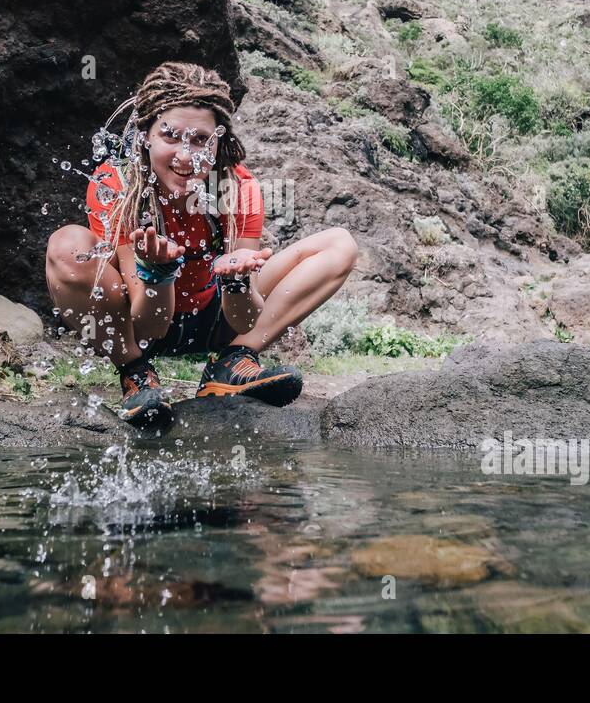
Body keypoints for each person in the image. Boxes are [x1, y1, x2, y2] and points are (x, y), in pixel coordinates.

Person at [45, 62, 358, 429]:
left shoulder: (237, 188)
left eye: (200, 140)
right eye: (171, 136)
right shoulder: (116, 186)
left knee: (339, 245)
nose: (185, 156)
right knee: (66, 245)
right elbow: (148, 327)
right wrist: (157, 274)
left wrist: (238, 281)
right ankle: (136, 374)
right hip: (143, 325)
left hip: (216, 314)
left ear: (218, 141)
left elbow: (244, 317)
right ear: (146, 134)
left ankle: (233, 361)